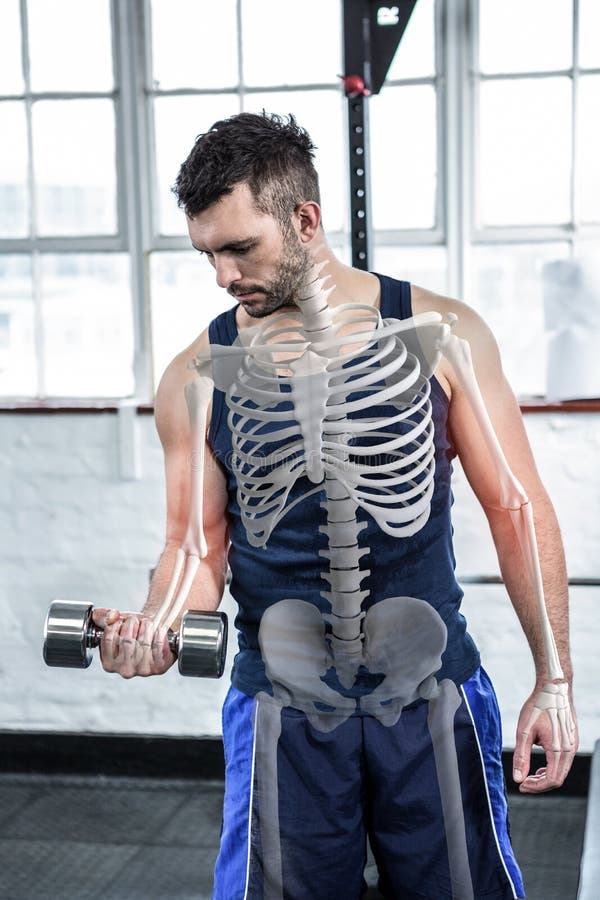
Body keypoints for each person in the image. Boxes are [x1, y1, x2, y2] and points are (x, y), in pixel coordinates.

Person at [93, 112, 577, 900]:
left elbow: (517, 508)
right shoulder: (199, 374)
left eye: (240, 247)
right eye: (207, 253)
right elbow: (194, 550)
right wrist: (159, 626)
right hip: (283, 706)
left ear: (305, 219)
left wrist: (553, 681)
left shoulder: (440, 333)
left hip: (430, 694)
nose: (222, 275)